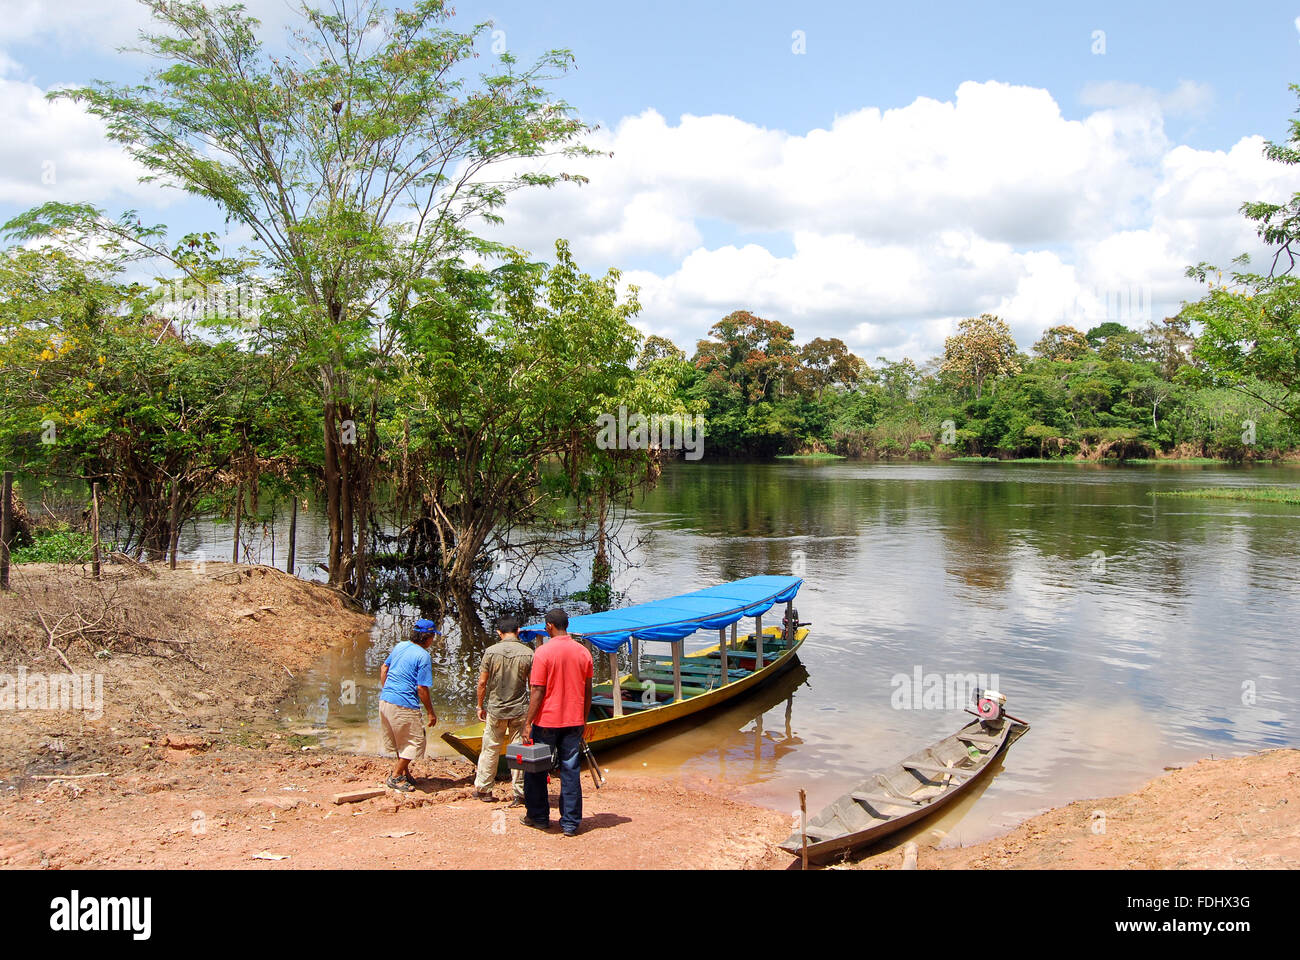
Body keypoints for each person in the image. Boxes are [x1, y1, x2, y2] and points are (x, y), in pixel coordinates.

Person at [520, 608, 592, 837]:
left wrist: (527, 722)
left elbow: (537, 690)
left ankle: (539, 817)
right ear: (566, 625)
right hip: (573, 721)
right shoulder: (583, 653)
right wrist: (583, 719)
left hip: (546, 722)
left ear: (549, 626)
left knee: (536, 769)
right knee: (571, 771)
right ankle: (570, 823)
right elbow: (587, 691)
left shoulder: (542, 653)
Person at [472, 615, 533, 805]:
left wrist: (479, 706)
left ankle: (484, 790)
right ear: (518, 631)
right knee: (519, 750)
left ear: (499, 633)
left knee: (490, 748)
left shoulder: (490, 652)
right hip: (520, 709)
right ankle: (520, 793)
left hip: (496, 709)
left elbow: (482, 683)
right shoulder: (528, 653)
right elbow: (534, 685)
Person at [378, 619, 439, 792]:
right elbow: (421, 687)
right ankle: (396, 775)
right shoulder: (423, 656)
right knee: (416, 741)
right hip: (404, 703)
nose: (433, 641)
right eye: (433, 637)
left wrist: (387, 690)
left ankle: (404, 774)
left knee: (400, 741)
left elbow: (384, 668)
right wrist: (430, 712)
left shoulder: (400, 646)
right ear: (427, 637)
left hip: (385, 700)